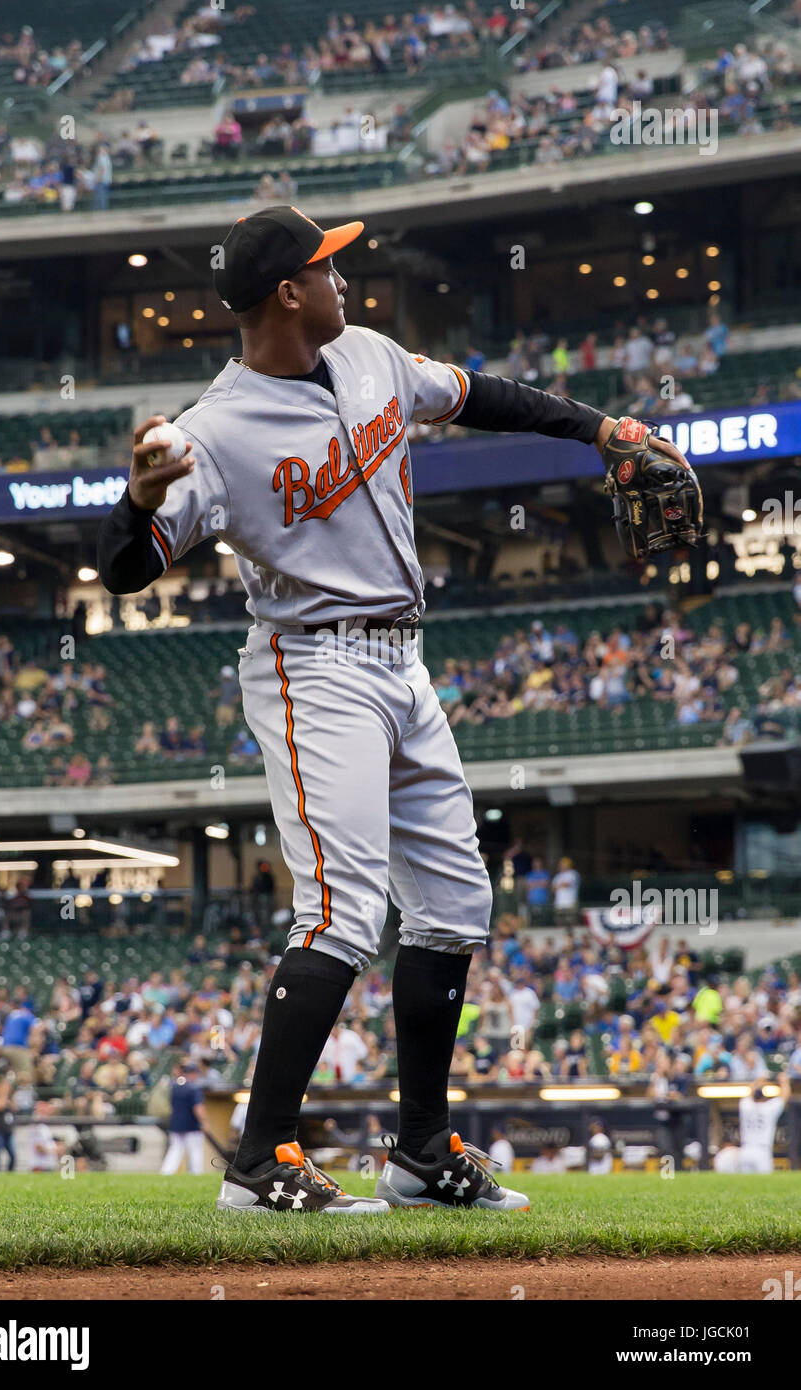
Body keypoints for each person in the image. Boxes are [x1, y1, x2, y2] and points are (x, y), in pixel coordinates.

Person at [96, 204, 678, 1217]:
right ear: (287, 292)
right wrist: (140, 500)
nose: (342, 278)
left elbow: (474, 393)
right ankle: (261, 1156)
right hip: (310, 665)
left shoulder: (366, 356)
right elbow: (124, 574)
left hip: (402, 664)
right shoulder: (212, 431)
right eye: (326, 266)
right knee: (341, 910)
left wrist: (598, 430)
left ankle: (419, 1152)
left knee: (453, 900)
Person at [713, 1070, 790, 1174]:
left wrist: (761, 1079)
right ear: (765, 1098)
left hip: (746, 1150)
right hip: (762, 1151)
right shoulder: (769, 1108)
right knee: (766, 1184)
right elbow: (785, 1095)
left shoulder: (746, 1106)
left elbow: (750, 1089)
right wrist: (784, 1080)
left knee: (746, 1183)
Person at [160, 1060, 208, 1175]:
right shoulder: (194, 1088)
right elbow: (198, 1107)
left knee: (175, 1150)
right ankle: (196, 1174)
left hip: (176, 1123)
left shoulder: (174, 1086)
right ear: (192, 1073)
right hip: (191, 1125)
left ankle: (166, 1172)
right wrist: (205, 1122)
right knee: (195, 1151)